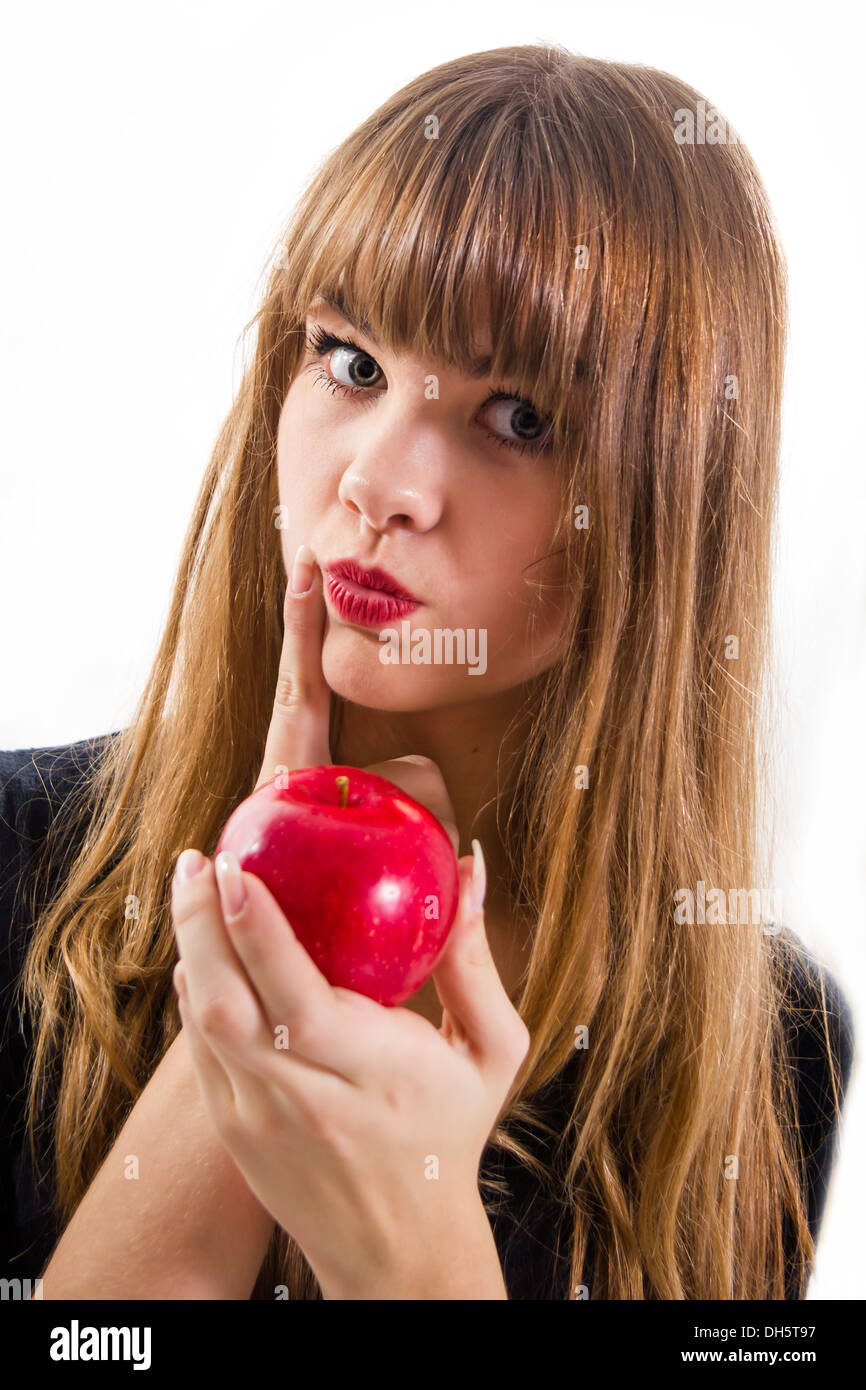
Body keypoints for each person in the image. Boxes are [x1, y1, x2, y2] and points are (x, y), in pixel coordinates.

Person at [0, 42, 855, 1300]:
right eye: (350, 360)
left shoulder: (775, 1054)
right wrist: (276, 937)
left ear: (666, 509)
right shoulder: (23, 859)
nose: (375, 483)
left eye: (518, 418)